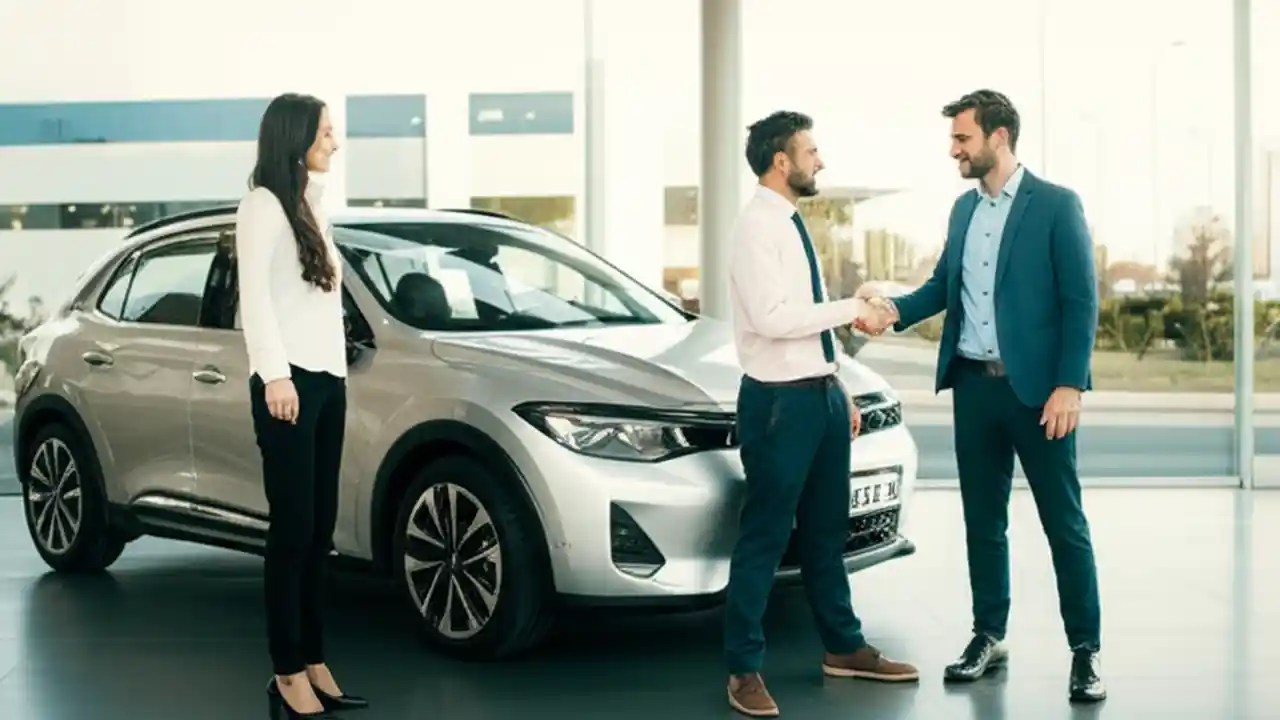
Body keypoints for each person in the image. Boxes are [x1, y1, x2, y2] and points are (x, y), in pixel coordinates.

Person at [857, 89, 1106, 703]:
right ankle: (988, 634)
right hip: (973, 389)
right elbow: (943, 286)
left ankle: (1086, 651)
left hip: (1039, 397)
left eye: (962, 138)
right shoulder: (963, 211)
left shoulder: (1055, 205)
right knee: (982, 524)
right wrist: (892, 310)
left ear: (999, 137)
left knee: (1063, 525)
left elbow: (1081, 302)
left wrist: (1070, 385)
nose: (954, 150)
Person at [722, 110, 917, 718]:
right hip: (779, 404)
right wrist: (852, 306)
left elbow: (803, 322)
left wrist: (840, 388)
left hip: (819, 397)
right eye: (811, 151)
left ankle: (843, 647)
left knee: (827, 534)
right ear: (782, 161)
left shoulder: (788, 223)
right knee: (766, 536)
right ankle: (743, 670)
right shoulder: (757, 227)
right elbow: (774, 319)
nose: (820, 161)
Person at [236, 92, 369, 719]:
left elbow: (319, 304)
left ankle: (314, 658)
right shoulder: (262, 206)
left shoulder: (311, 207)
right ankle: (286, 670)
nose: (334, 142)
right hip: (288, 386)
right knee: (291, 534)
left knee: (319, 533)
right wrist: (274, 376)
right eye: (325, 133)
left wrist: (336, 377)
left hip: (327, 384)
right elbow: (255, 301)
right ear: (294, 138)